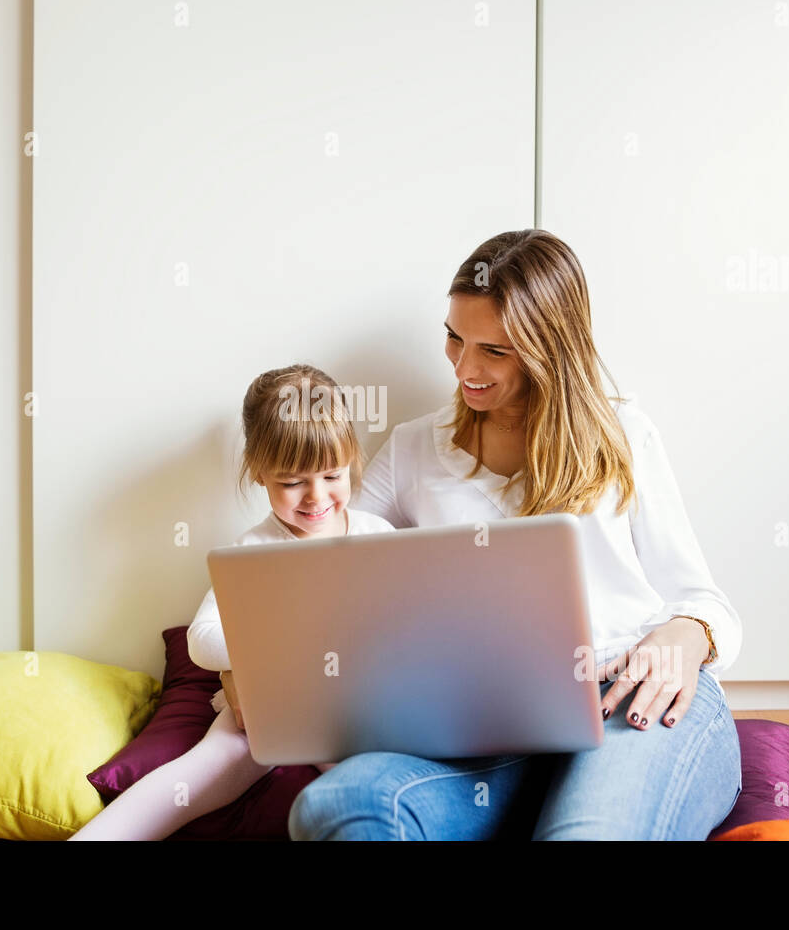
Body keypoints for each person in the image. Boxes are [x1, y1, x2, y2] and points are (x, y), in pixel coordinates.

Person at [286, 229, 745, 840]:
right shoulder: (413, 450)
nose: (465, 368)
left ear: (550, 349)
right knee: (338, 807)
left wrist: (686, 636)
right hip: (479, 729)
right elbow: (333, 583)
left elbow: (704, 602)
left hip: (626, 698)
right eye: (454, 337)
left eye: (495, 352)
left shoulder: (623, 436)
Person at [70, 364, 394, 840]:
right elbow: (202, 641)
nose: (316, 496)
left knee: (368, 775)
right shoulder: (253, 551)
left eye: (332, 474)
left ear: (352, 461)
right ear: (259, 474)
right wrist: (282, 652)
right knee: (200, 771)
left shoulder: (377, 537)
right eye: (292, 482)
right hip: (261, 712)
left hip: (351, 707)